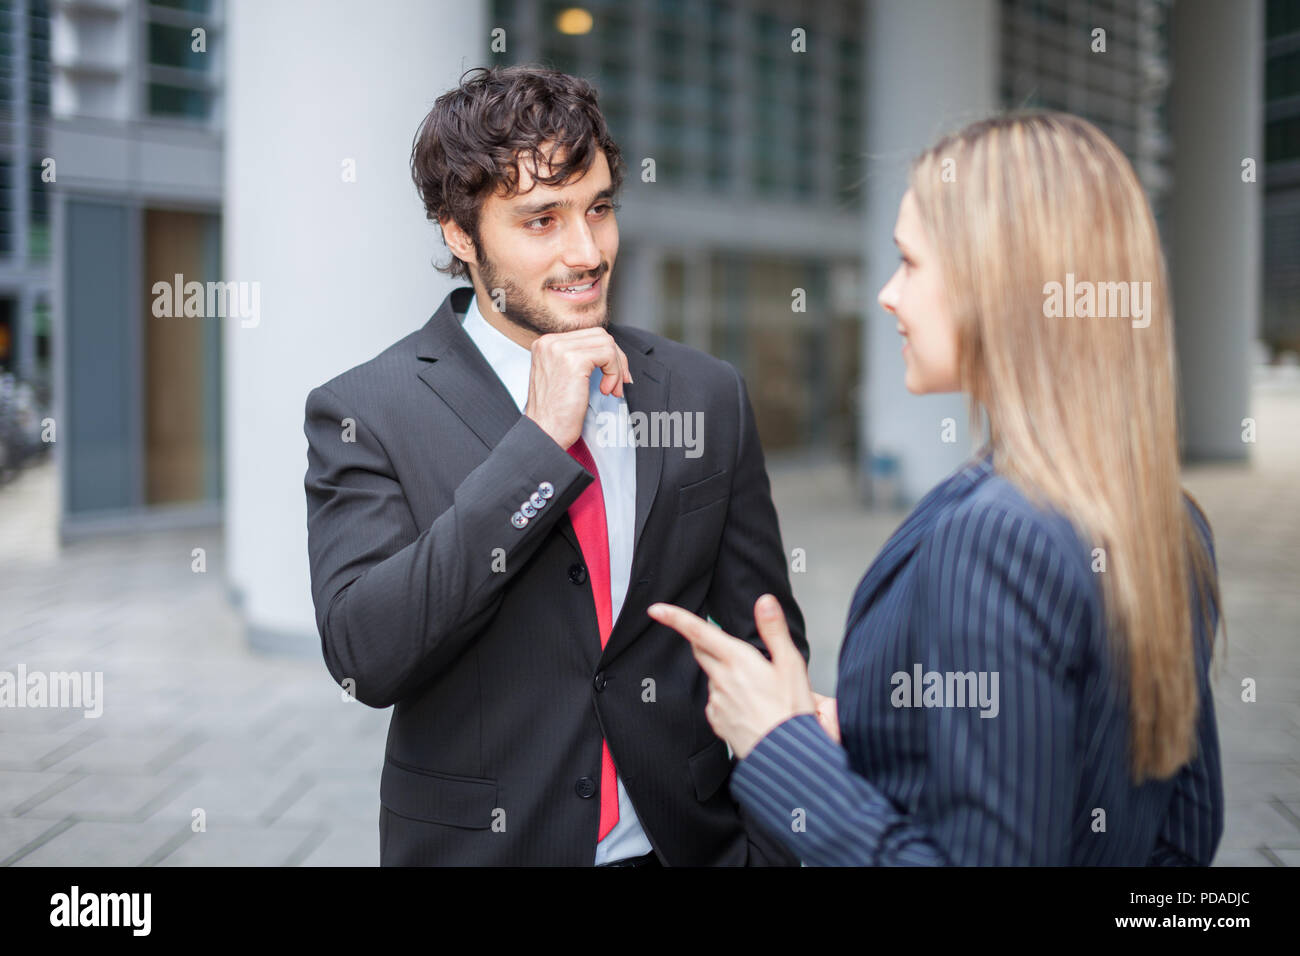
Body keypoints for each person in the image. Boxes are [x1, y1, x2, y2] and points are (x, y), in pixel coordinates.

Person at [649, 111, 1225, 865]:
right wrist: (887, 742)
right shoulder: (1166, 519)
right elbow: (1184, 834)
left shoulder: (995, 536)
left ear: (1002, 288)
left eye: (911, 264)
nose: (888, 295)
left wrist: (775, 743)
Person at [302, 65, 807, 866]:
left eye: (599, 208)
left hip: (688, 845)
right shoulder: (366, 411)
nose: (587, 250)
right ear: (459, 233)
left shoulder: (707, 393)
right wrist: (536, 445)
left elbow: (769, 640)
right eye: (542, 221)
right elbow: (368, 657)